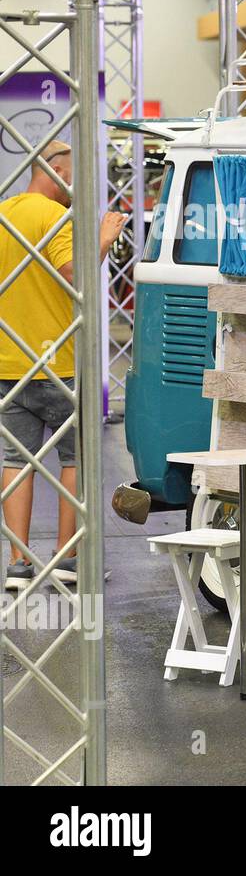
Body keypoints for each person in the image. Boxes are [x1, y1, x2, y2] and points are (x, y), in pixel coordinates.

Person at [2, 142, 127, 591]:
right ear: (53, 171)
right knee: (74, 458)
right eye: (71, 175)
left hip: (9, 364)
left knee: (15, 461)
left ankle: (18, 564)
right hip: (58, 364)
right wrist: (104, 238)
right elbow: (73, 274)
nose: (75, 185)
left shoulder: (4, 213)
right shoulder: (55, 218)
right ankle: (66, 558)